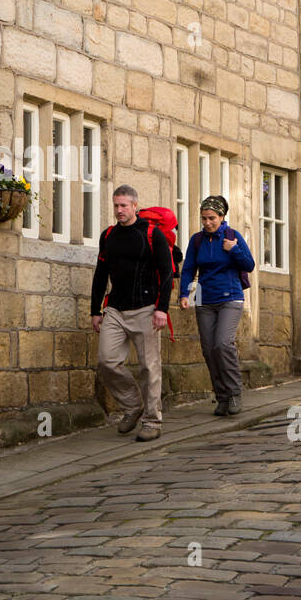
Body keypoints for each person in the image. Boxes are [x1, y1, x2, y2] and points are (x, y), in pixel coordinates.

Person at [90, 185, 175, 441]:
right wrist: (95, 310)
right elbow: (100, 274)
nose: (119, 210)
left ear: (135, 205)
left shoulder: (152, 234)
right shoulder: (108, 236)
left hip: (146, 310)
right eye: (116, 205)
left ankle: (152, 421)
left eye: (124, 205)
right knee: (107, 361)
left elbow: (167, 273)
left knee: (149, 368)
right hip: (115, 308)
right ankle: (132, 406)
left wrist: (162, 309)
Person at [179, 195, 255, 416]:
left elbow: (249, 265)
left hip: (231, 297)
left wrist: (234, 249)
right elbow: (188, 269)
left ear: (222, 217)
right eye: (204, 218)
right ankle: (221, 397)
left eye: (212, 218)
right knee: (209, 350)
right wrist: (185, 294)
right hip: (204, 299)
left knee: (223, 343)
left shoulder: (232, 237)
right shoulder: (197, 240)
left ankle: (234, 393)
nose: (207, 222)